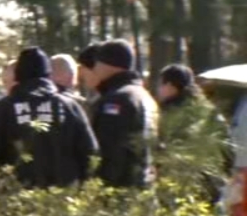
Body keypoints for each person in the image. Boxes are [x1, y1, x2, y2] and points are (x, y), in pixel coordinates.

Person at [0, 47, 98, 188]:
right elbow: (90, 152)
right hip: (65, 199)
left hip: (14, 198)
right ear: (48, 74)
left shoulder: (2, 109)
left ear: (18, 75)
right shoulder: (69, 106)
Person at [156, 63, 230, 202]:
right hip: (212, 189)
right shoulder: (210, 112)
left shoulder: (169, 115)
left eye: (161, 85)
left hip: (178, 190)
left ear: (171, 86)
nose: (158, 90)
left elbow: (161, 153)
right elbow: (228, 152)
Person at [90, 39, 157, 189]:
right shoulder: (144, 95)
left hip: (122, 190)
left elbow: (111, 150)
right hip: (144, 185)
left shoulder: (117, 100)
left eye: (97, 62)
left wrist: (102, 189)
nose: (95, 68)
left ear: (109, 65)